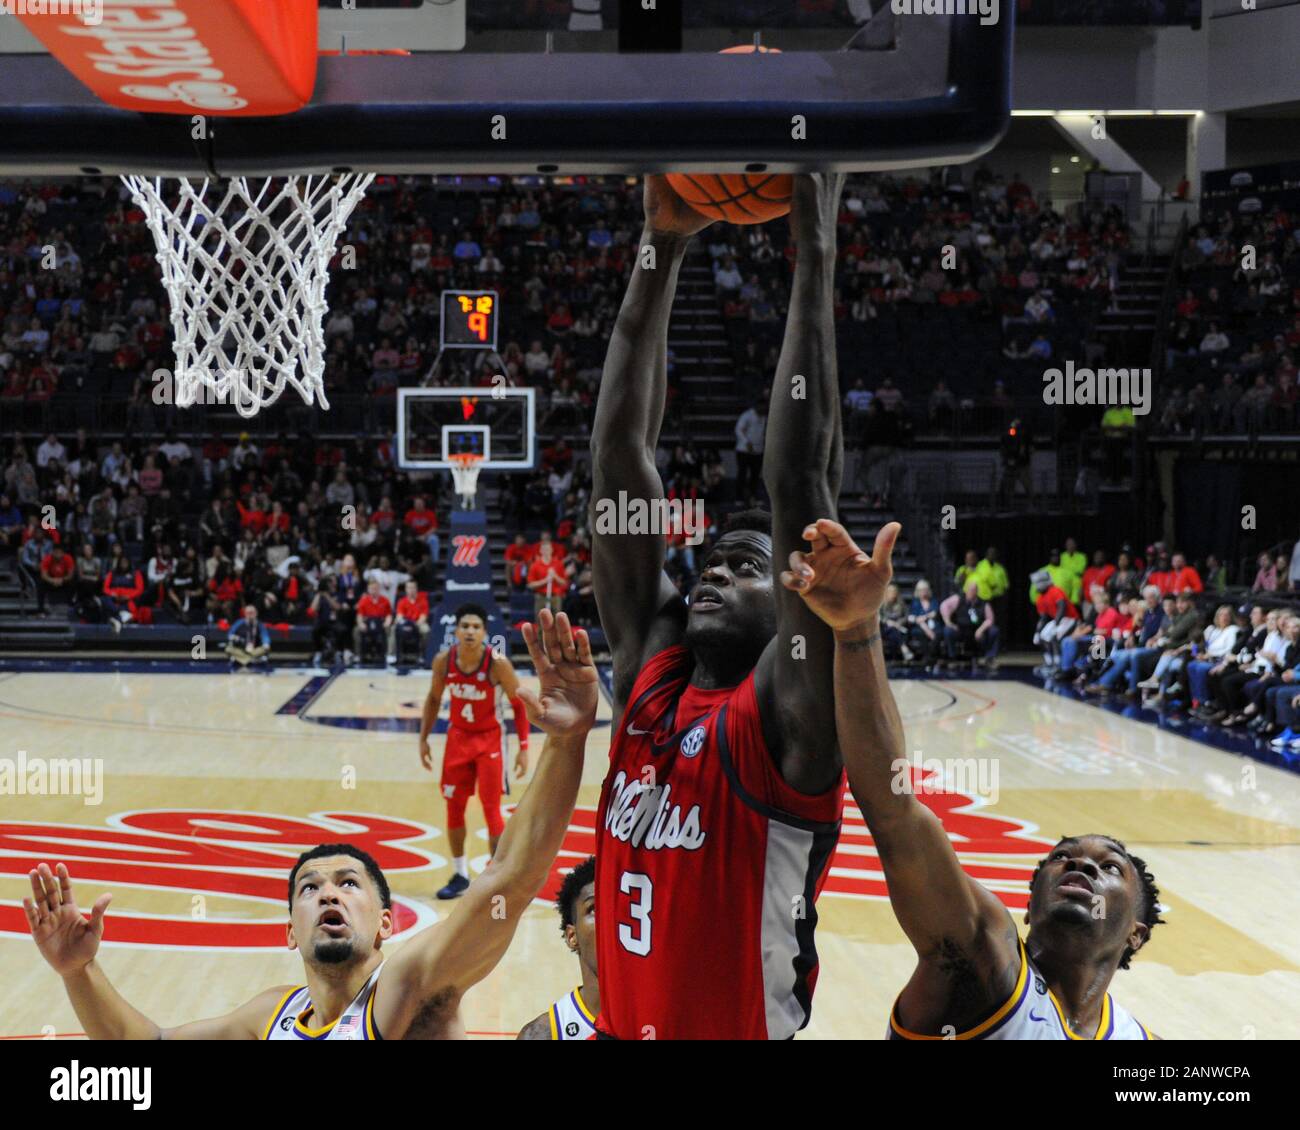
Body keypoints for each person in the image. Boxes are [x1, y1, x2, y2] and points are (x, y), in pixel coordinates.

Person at [23, 610, 596, 1040]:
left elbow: (509, 879)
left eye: (350, 883)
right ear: (290, 932)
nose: (328, 891)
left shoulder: (412, 986)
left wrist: (566, 742)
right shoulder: (269, 1018)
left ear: (386, 924)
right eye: (310, 887)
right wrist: (79, 971)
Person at [586, 174, 848, 1040]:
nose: (710, 573)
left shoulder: (789, 716)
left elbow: (800, 482)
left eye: (746, 569)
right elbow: (621, 454)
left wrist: (814, 254)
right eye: (710, 561)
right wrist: (659, 248)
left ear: (791, 604)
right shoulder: (651, 675)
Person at [779, 517, 1160, 1040]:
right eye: (1062, 859)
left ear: (1136, 934)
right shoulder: (984, 959)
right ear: (1028, 909)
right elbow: (894, 816)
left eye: (1109, 867)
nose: (1080, 866)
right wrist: (854, 629)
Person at [418, 604, 529, 900]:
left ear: (484, 633)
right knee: (454, 807)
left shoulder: (497, 663)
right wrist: (424, 738)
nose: (469, 631)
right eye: (464, 626)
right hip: (457, 739)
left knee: (491, 809)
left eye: (475, 627)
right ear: (455, 631)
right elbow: (432, 698)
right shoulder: (444, 661)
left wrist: (524, 748)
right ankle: (460, 875)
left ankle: (497, 879)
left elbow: (518, 705)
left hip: (490, 741)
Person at [516, 856, 599, 1041]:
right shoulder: (541, 1036)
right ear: (572, 936)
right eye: (594, 909)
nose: (611, 919)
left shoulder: (670, 1020)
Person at [226, 604, 271, 669]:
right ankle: (254, 660)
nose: (250, 615)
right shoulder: (239, 623)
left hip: (255, 650)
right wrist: (236, 638)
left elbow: (265, 636)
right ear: (245, 614)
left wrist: (266, 643)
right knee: (228, 649)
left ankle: (241, 660)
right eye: (248, 613)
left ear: (256, 613)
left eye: (252, 613)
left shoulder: (259, 624)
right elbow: (230, 634)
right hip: (242, 649)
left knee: (266, 648)